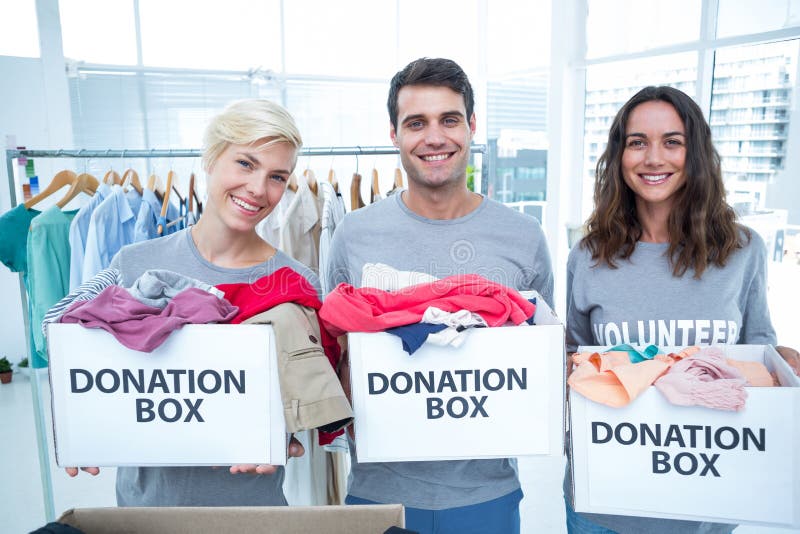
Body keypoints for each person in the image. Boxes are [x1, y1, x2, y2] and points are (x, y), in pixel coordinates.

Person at [325, 57, 554, 534]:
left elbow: (542, 360)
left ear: (471, 126)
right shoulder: (353, 234)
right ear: (394, 133)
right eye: (416, 123)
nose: (434, 138)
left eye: (449, 120)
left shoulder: (523, 236)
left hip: (487, 495)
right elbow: (338, 354)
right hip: (377, 494)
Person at [564, 85, 800, 534]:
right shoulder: (588, 256)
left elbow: (756, 353)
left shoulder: (743, 249)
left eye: (673, 142)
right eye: (638, 143)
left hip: (706, 505)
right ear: (619, 157)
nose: (654, 158)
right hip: (605, 505)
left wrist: (781, 362)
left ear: (696, 155)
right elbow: (573, 363)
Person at [66, 98, 315, 506]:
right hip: (145, 515)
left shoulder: (299, 284)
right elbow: (85, 357)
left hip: (254, 516)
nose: (257, 189)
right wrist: (80, 425)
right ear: (212, 158)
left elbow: (301, 396)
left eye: (276, 177)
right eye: (246, 164)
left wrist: (287, 433)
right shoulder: (134, 264)